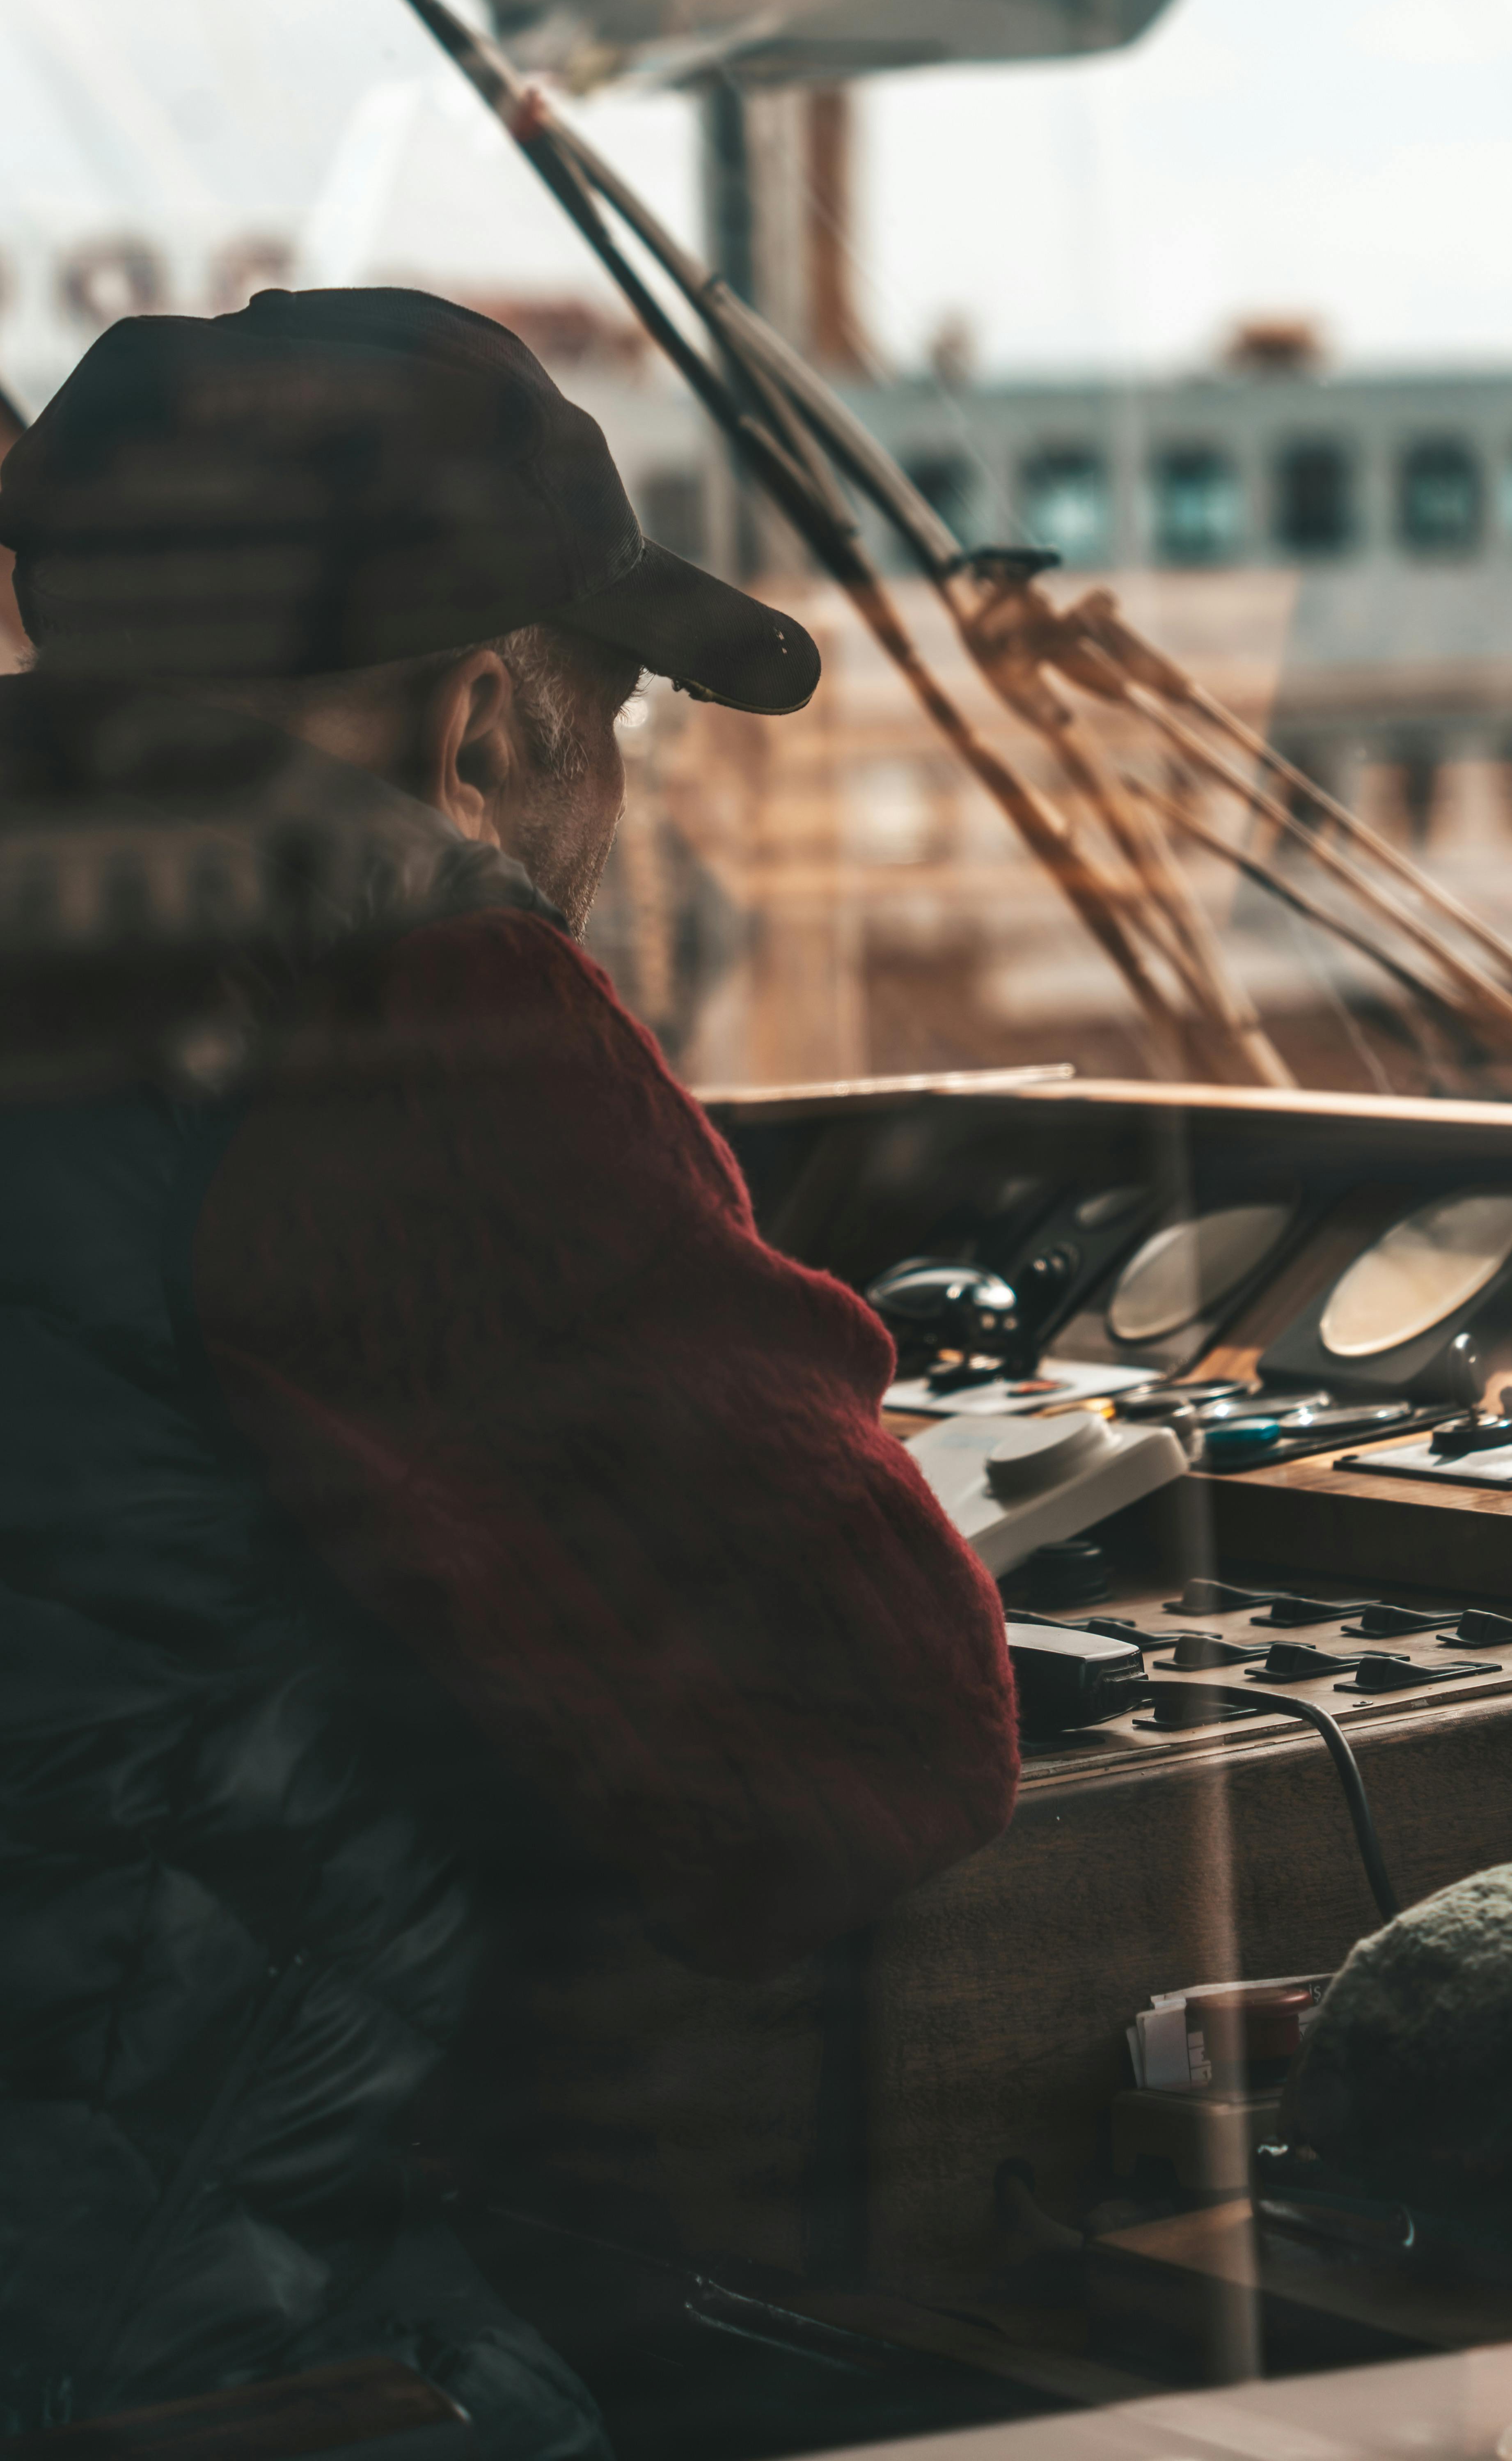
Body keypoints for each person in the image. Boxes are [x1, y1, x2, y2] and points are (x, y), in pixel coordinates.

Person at [0, 289, 1019, 2452]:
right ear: (487, 720)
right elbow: (852, 1759)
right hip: (173, 2354)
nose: (619, 790)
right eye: (616, 711)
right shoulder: (409, 1001)